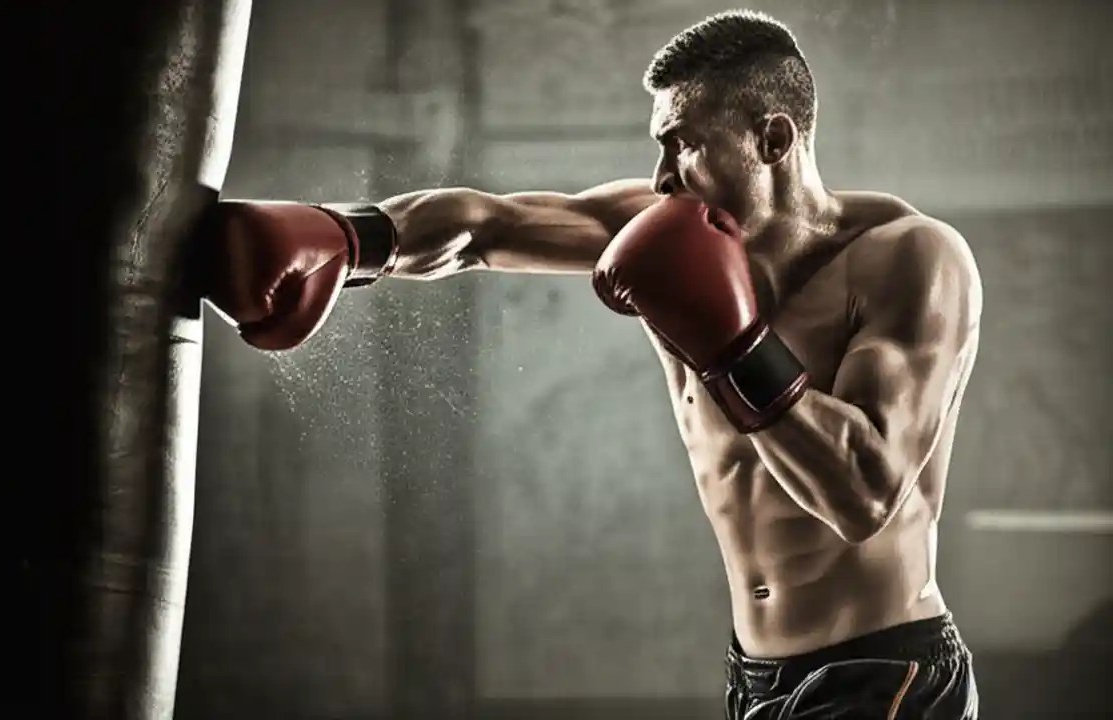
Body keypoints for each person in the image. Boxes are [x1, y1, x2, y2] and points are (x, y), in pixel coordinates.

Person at [199, 9, 982, 718]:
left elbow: (864, 493)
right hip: (755, 677)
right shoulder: (661, 227)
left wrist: (730, 344)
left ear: (773, 140)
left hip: (885, 674)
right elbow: (486, 227)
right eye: (659, 147)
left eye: (685, 143)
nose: (662, 177)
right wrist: (347, 237)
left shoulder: (910, 259)